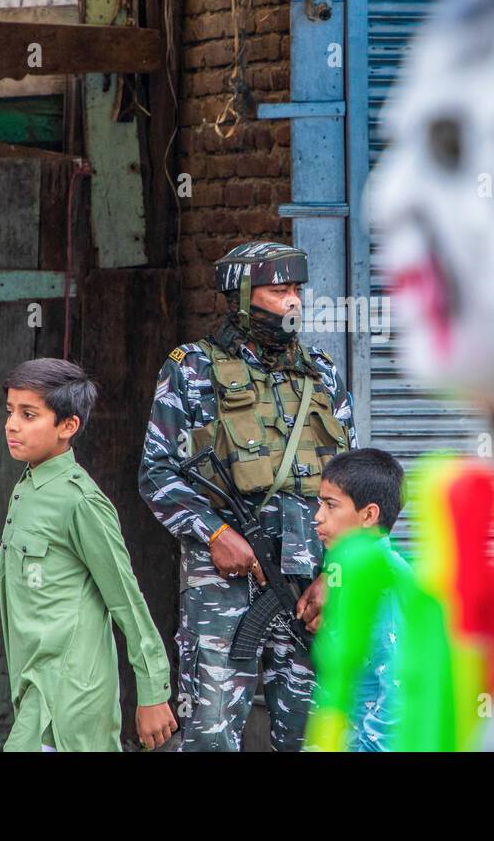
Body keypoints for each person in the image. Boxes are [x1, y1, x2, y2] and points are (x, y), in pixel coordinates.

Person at [0, 358, 177, 751]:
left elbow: (126, 600)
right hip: (35, 687)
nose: (12, 424)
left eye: (28, 415)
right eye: (10, 412)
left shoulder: (81, 501)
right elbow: (11, 569)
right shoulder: (29, 487)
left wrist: (153, 692)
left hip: (70, 696)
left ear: (67, 426)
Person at [139, 241, 356, 750]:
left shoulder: (322, 373)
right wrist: (215, 532)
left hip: (310, 588)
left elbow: (356, 487)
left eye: (297, 290)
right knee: (211, 733)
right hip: (223, 585)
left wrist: (335, 573)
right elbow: (156, 474)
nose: (293, 302)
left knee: (317, 736)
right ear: (241, 296)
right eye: (279, 291)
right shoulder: (191, 369)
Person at [313, 448, 410, 751]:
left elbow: (399, 685)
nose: (318, 517)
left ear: (368, 515)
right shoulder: (347, 571)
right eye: (320, 504)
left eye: (331, 506)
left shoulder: (384, 580)